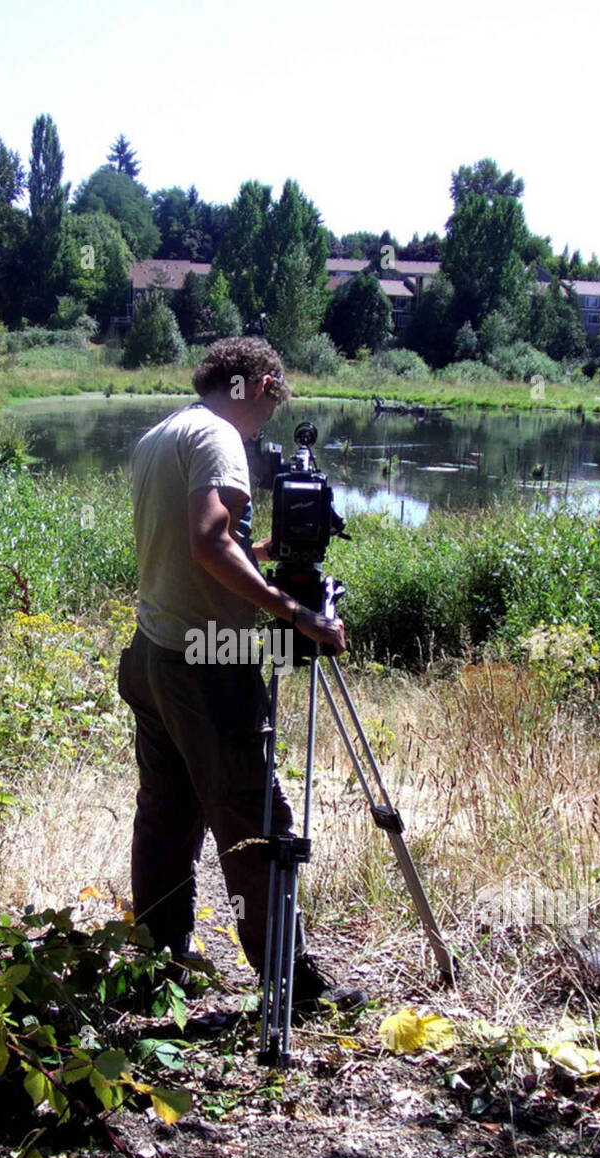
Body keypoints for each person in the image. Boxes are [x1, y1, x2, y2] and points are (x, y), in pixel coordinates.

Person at [117, 336, 361, 1010]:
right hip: (203, 664)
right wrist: (298, 613)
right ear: (255, 383)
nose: (267, 420)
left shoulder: (162, 433)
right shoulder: (219, 435)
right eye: (271, 399)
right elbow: (206, 542)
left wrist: (267, 551)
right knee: (254, 819)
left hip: (154, 652)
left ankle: (158, 961)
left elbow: (205, 548)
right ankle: (290, 985)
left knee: (166, 818)